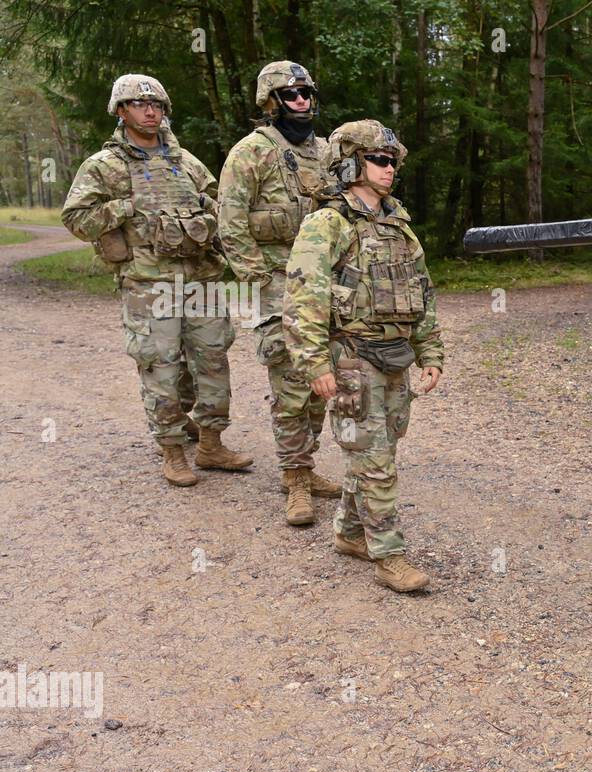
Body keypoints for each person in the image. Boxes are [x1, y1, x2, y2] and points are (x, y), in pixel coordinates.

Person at [62, 73, 252, 486]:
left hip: (201, 279)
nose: (150, 111)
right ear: (120, 111)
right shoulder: (105, 166)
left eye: (157, 105)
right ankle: (171, 450)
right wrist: (127, 207)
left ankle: (210, 443)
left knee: (214, 359)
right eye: (138, 104)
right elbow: (76, 218)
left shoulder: (185, 162)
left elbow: (219, 206)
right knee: (160, 365)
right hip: (149, 284)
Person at [282, 120, 444, 593]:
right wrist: (314, 363)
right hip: (352, 359)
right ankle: (388, 556)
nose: (389, 168)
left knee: (379, 450)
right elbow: (302, 298)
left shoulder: (399, 225)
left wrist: (430, 351)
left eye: (392, 161)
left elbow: (424, 293)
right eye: (379, 159)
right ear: (350, 163)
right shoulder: (327, 223)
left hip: (394, 358)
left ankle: (350, 532)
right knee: (374, 460)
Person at [219, 60, 340, 525]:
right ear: (271, 103)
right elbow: (230, 221)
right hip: (277, 282)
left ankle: (306, 466)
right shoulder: (251, 152)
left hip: (326, 283)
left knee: (321, 381)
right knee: (290, 381)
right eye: (292, 95)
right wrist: (259, 280)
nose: (303, 101)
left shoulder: (327, 152)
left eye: (307, 93)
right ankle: (294, 479)